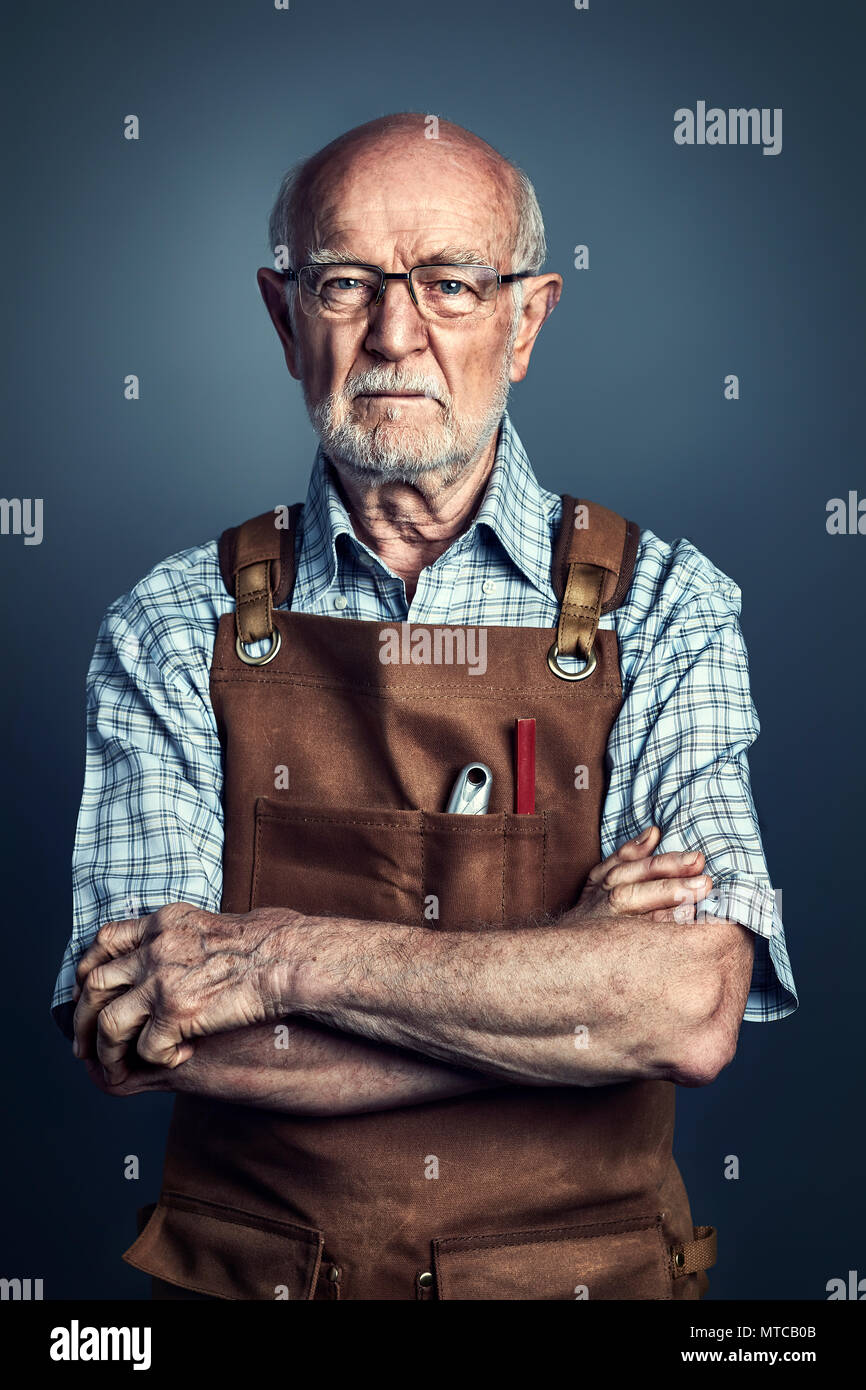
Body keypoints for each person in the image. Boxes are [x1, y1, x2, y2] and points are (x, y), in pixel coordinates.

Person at [53, 112, 797, 1301]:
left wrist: (283, 959)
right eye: (346, 281)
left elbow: (687, 1008)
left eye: (451, 283)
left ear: (527, 317)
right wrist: (566, 989)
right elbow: (148, 1028)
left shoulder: (664, 607)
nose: (396, 334)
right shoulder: (166, 621)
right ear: (283, 312)